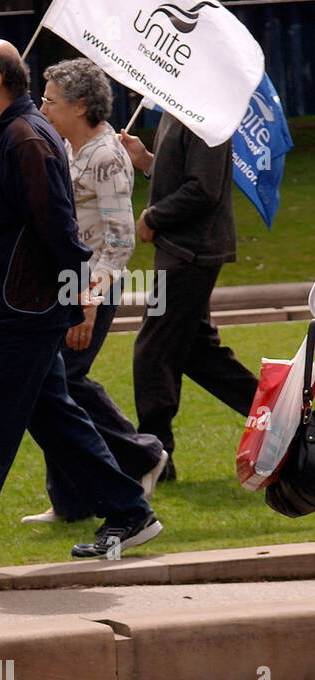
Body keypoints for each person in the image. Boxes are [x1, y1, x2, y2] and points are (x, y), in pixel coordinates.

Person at [0, 39, 161, 560]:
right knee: (56, 420)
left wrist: (79, 296)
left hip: (20, 313)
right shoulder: (7, 135)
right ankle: (131, 511)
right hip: (11, 312)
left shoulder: (25, 138)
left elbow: (60, 228)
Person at [22, 59, 168, 523]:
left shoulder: (106, 156)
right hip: (65, 282)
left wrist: (88, 300)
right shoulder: (67, 145)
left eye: (49, 100)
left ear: (81, 105)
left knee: (64, 381)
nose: (41, 106)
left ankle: (142, 454)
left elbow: (120, 239)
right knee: (55, 383)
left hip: (91, 285)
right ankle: (71, 500)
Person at [120, 111, 258, 482]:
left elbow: (204, 188)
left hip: (190, 253)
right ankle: (282, 421)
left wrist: (153, 216)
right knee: (198, 353)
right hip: (182, 250)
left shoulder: (205, 115)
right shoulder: (180, 110)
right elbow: (183, 173)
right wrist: (148, 162)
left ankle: (154, 456)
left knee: (152, 352)